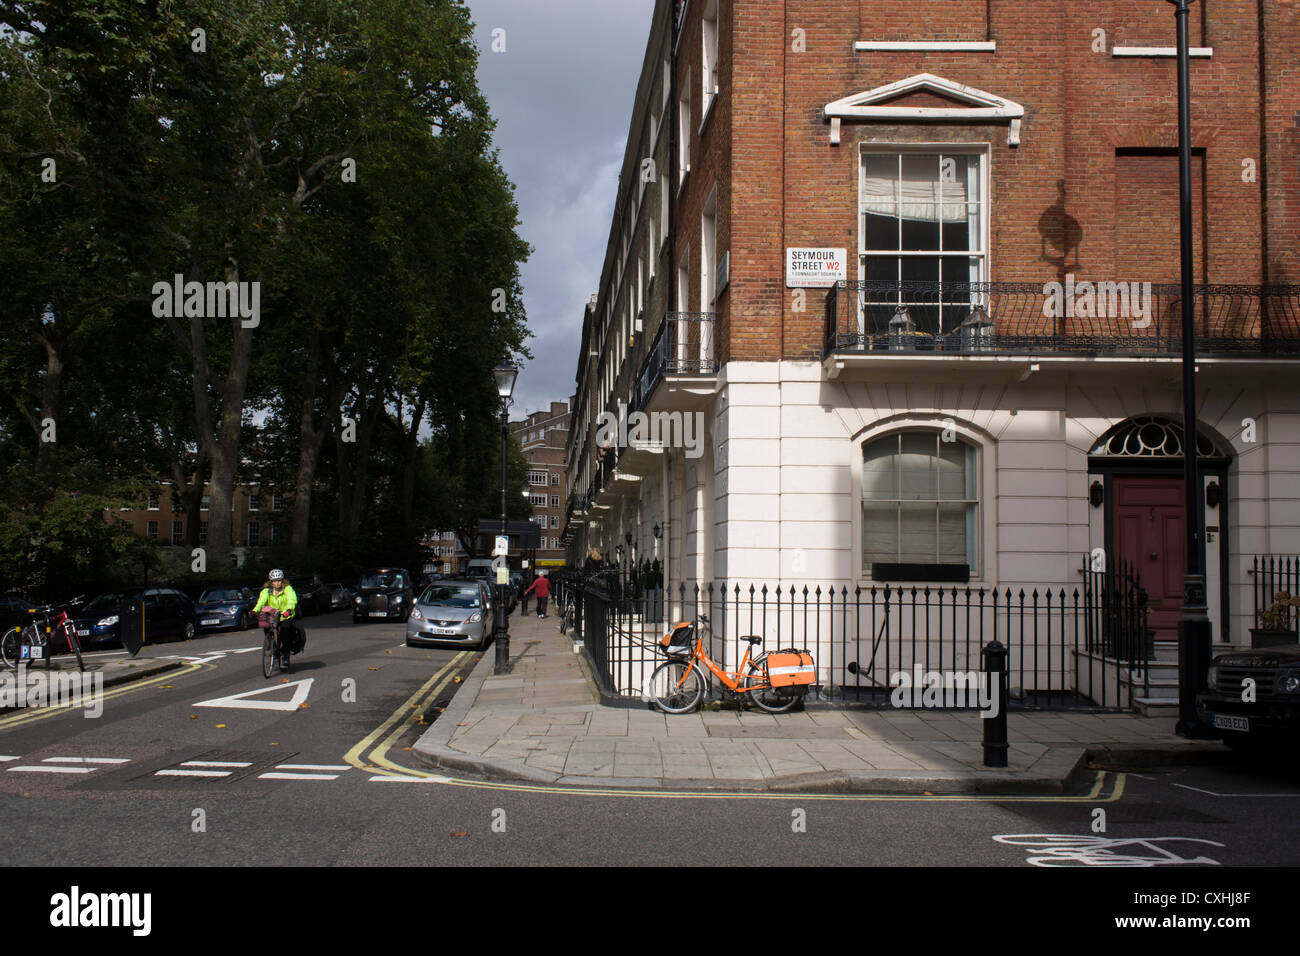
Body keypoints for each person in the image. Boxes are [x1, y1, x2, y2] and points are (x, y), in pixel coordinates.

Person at [253, 569, 299, 666]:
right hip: (273, 615)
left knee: (285, 630)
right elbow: (261, 602)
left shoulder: (287, 588)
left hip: (285, 615)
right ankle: (270, 642)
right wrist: (255, 610)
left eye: (278, 580)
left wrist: (289, 610)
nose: (276, 583)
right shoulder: (267, 591)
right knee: (265, 624)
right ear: (271, 581)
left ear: (282, 580)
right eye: (274, 581)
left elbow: (292, 599)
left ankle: (285, 655)